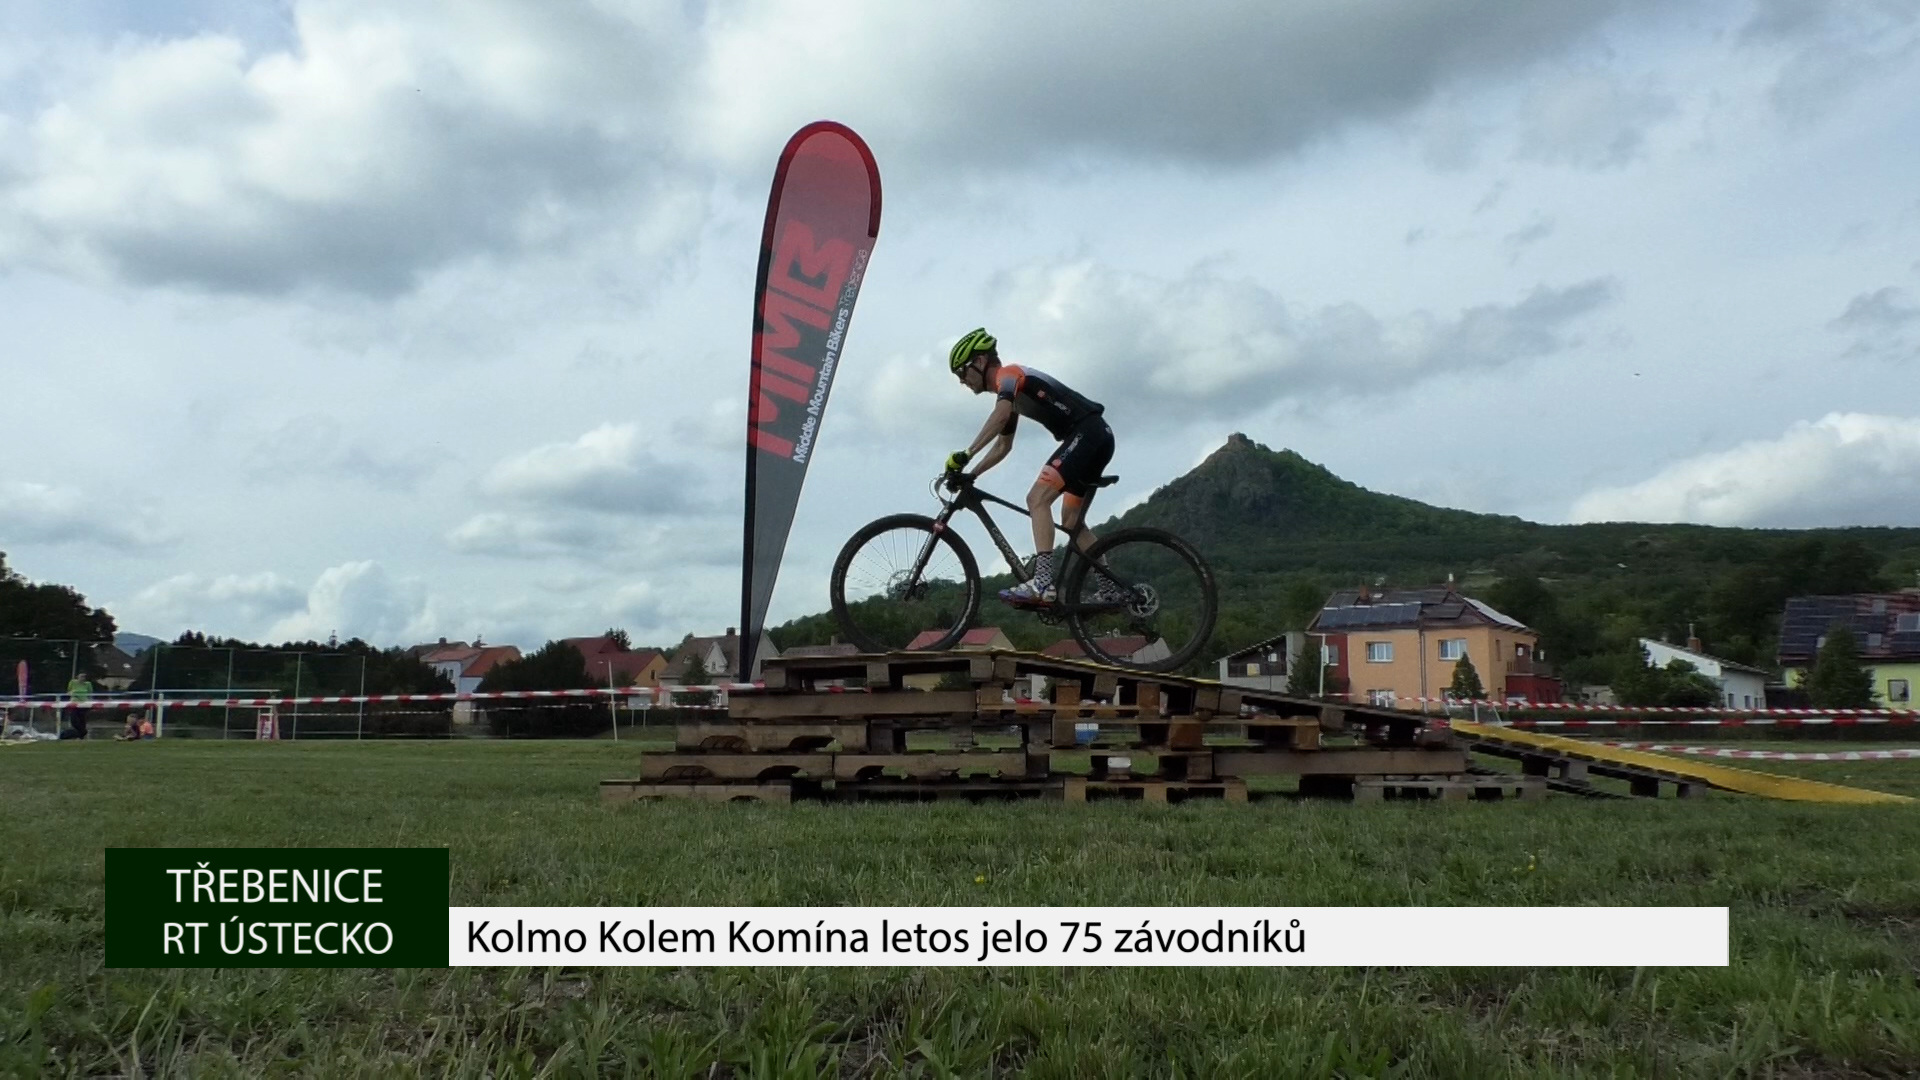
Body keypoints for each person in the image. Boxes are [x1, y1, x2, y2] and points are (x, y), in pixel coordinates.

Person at [944, 328, 1122, 607]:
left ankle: (1042, 583)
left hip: (1087, 433)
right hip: (1096, 436)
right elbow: (1004, 446)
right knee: (1072, 523)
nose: (961, 381)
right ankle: (1111, 589)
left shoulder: (1009, 376)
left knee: (1036, 499)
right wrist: (972, 474)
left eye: (961, 372)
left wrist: (966, 453)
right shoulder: (1009, 396)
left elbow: (999, 416)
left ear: (979, 362)